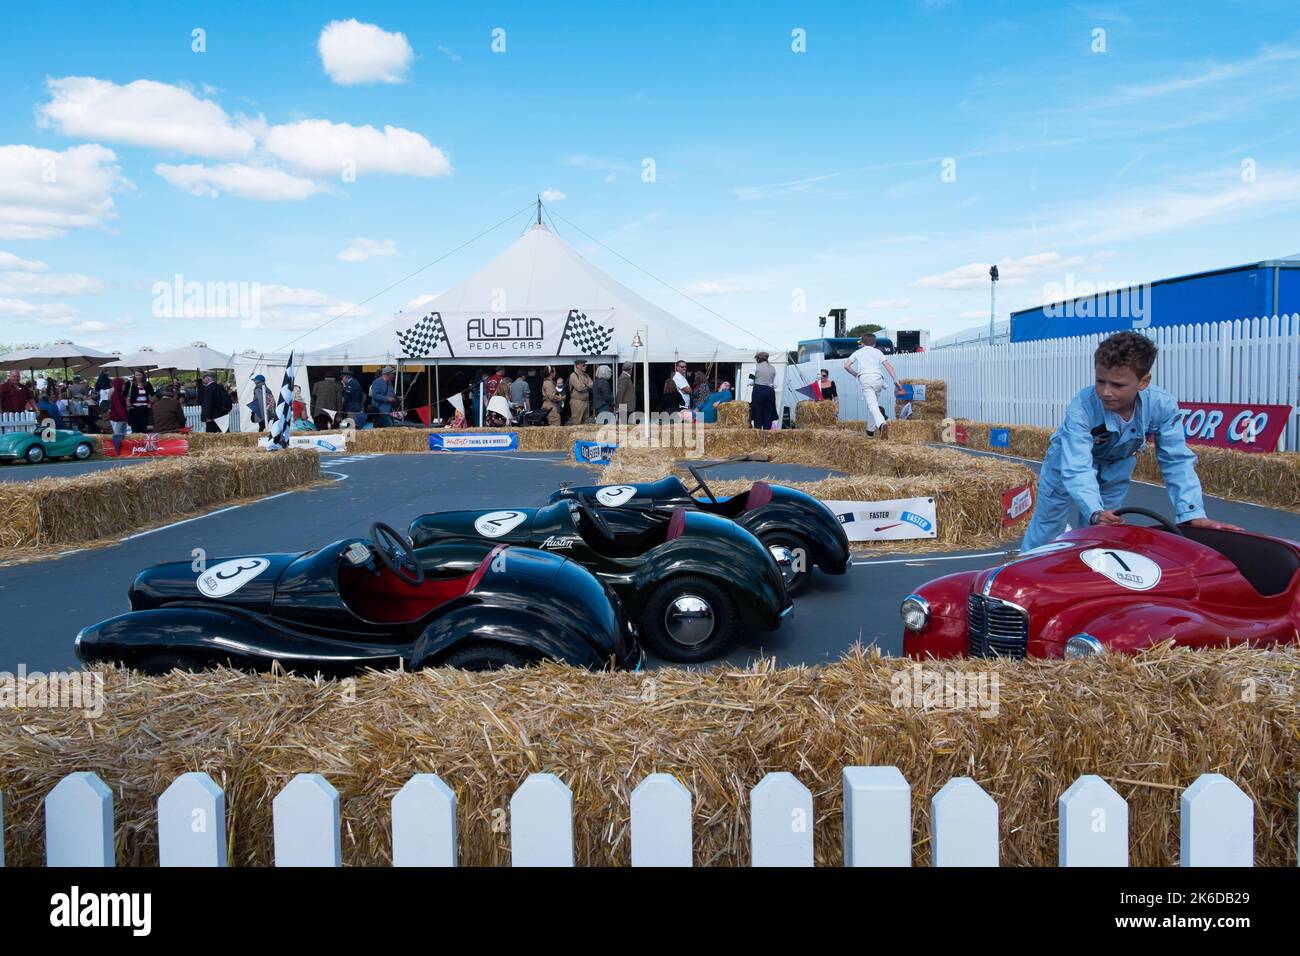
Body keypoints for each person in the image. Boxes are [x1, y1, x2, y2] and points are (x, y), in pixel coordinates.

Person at [1020, 331, 1242, 552]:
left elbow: (1176, 461)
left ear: (1144, 381)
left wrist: (1192, 513)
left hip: (1117, 465)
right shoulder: (1082, 406)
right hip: (1065, 462)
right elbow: (1077, 467)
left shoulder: (1162, 405)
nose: (1106, 392)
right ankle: (1022, 573)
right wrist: (1094, 510)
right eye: (1100, 381)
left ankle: (1087, 580)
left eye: (1117, 385)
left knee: (1098, 534)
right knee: (1048, 525)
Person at [842, 333, 902, 438]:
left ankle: (882, 424)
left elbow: (846, 366)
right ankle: (870, 431)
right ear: (874, 344)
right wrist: (895, 380)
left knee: (872, 405)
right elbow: (888, 366)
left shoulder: (858, 352)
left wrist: (855, 374)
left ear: (862, 343)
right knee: (873, 405)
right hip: (878, 379)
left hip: (866, 379)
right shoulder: (878, 352)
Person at [749, 351, 778, 429]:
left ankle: (758, 433)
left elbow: (750, 381)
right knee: (768, 413)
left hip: (758, 390)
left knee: (757, 411)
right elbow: (776, 384)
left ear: (758, 358)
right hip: (770, 391)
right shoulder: (773, 368)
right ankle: (767, 434)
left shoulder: (755, 366)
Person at [125, 370, 154, 434]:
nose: (138, 377)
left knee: (144, 428)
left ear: (143, 375)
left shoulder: (147, 384)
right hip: (134, 408)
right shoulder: (130, 383)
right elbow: (124, 395)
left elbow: (153, 394)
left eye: (139, 375)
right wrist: (127, 403)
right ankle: (135, 443)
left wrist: (150, 402)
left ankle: (143, 442)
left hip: (144, 408)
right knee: (135, 429)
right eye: (136, 375)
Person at [568, 359, 593, 425]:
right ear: (577, 366)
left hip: (586, 402)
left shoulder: (586, 375)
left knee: (585, 422)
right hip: (577, 402)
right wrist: (587, 386)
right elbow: (579, 388)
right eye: (583, 365)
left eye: (586, 365)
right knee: (577, 422)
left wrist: (584, 386)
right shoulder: (573, 375)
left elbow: (592, 385)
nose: (585, 366)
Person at [109, 377, 129, 452]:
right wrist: (125, 418)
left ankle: (120, 451)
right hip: (117, 419)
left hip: (120, 419)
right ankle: (116, 451)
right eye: (123, 384)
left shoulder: (119, 394)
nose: (124, 386)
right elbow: (119, 408)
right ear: (119, 385)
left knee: (122, 435)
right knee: (118, 436)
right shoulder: (116, 395)